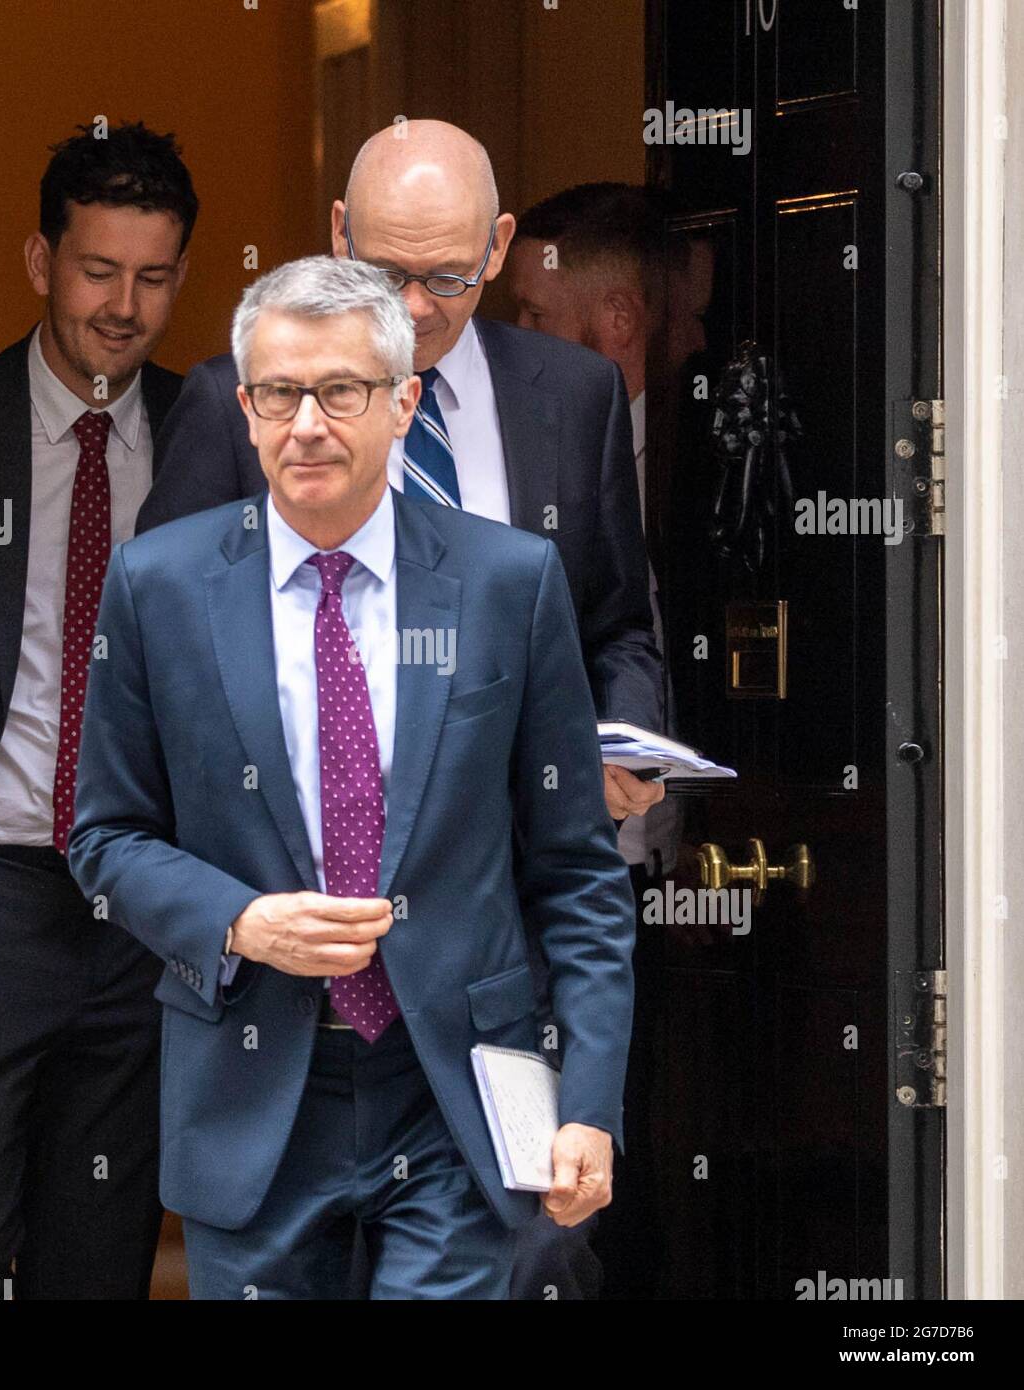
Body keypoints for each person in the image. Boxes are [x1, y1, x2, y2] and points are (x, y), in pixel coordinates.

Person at [139, 126, 665, 1296]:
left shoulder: (534, 490)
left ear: (501, 250)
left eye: (448, 278)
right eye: (385, 275)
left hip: (472, 1030)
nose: (416, 306)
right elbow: (129, 780)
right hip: (263, 1050)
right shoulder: (225, 453)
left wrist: (605, 744)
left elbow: (614, 628)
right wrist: (233, 916)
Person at [0, 121, 197, 1298]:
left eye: (155, 275)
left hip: (136, 908)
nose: (123, 305)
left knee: (100, 1259)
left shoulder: (209, 437)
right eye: (97, 268)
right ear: (37, 261)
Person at [510, 182, 714, 1295]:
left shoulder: (714, 439)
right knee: (565, 1193)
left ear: (617, 320)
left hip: (698, 891)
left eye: (533, 316)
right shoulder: (514, 453)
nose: (512, 342)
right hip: (567, 888)